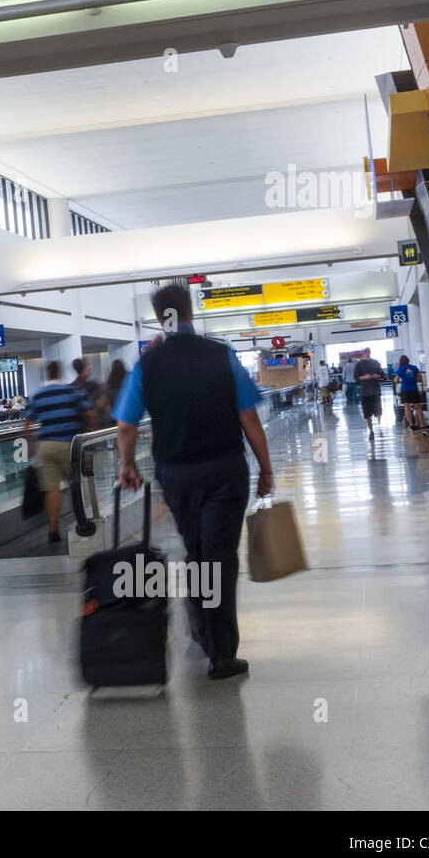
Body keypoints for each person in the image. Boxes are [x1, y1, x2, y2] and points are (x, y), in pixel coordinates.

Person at [114, 284, 272, 681]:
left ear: (157, 317)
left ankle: (203, 633)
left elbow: (125, 425)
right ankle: (221, 652)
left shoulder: (147, 365)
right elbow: (249, 417)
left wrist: (127, 466)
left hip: (177, 473)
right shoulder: (221, 356)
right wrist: (266, 468)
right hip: (224, 469)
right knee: (220, 556)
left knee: (197, 551)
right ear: (190, 311)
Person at [23, 361, 92, 546]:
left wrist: (30, 446)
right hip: (69, 445)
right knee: (76, 485)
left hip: (45, 446)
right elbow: (89, 413)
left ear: (47, 374)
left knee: (51, 489)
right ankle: (83, 522)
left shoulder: (38, 395)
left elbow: (27, 424)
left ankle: (53, 530)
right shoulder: (71, 391)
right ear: (60, 373)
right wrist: (92, 433)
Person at [353, 347, 385, 438]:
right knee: (367, 414)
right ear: (363, 354)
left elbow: (382, 374)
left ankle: (379, 425)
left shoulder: (375, 362)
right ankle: (371, 431)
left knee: (378, 411)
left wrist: (376, 376)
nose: (367, 355)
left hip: (375, 391)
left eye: (369, 353)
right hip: (365, 392)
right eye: (366, 353)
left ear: (370, 353)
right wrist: (364, 377)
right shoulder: (359, 364)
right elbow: (356, 378)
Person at [71, 357, 109, 428]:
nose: (90, 368)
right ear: (84, 369)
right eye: (89, 366)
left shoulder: (71, 387)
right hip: (94, 427)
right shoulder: (93, 385)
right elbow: (101, 403)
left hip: (78, 427)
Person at [395, 355, 425, 429]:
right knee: (417, 407)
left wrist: (401, 381)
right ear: (408, 360)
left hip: (405, 390)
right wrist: (413, 380)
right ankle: (422, 424)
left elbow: (396, 380)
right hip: (414, 389)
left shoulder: (400, 369)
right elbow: (420, 378)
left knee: (407, 407)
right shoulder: (414, 367)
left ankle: (411, 424)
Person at [104, 359, 127, 426]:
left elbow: (107, 404)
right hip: (127, 418)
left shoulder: (109, 386)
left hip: (116, 420)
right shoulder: (127, 383)